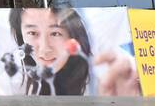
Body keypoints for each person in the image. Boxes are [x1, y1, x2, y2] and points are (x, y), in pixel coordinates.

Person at [8, 7, 141, 96]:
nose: (44, 49)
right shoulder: (17, 83)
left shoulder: (100, 77)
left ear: (72, 35)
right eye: (32, 33)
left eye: (55, 33)